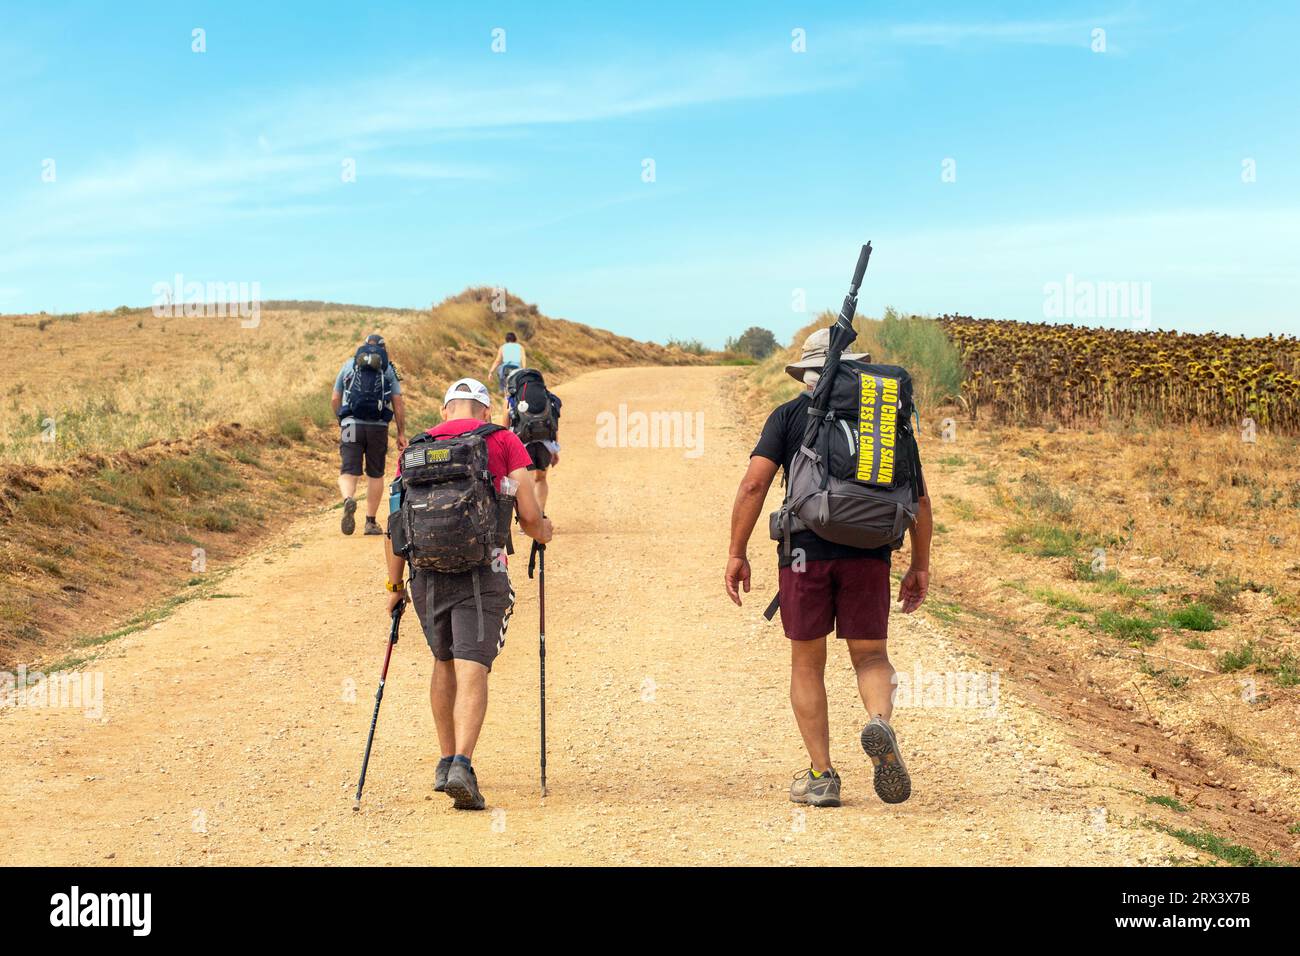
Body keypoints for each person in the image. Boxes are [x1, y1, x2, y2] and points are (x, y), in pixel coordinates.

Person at [724, 327, 933, 808]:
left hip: (805, 553)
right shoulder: (886, 420)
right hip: (869, 551)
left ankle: (822, 776)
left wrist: (737, 552)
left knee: (807, 662)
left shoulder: (792, 414)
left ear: (808, 372)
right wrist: (919, 564)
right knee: (872, 656)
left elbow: (755, 486)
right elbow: (919, 500)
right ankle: (879, 722)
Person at [385, 377, 553, 810]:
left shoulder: (416, 449)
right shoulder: (502, 440)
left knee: (442, 662)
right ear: (486, 410)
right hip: (482, 570)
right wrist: (543, 533)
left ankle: (445, 760)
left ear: (445, 411)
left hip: (425, 574)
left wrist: (393, 586)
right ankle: (463, 763)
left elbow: (396, 522)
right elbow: (530, 515)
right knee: (472, 664)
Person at [333, 334, 406, 536]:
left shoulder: (348, 365)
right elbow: (398, 403)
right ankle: (370, 522)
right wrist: (401, 433)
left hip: (350, 425)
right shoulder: (388, 369)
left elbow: (335, 398)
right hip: (378, 427)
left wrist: (342, 420)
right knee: (376, 473)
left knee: (348, 469)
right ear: (384, 349)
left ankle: (349, 498)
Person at [502, 367, 562, 512]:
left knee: (526, 482)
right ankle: (540, 514)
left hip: (522, 444)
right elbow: (554, 424)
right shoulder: (547, 397)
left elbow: (505, 426)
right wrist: (554, 449)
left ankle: (529, 517)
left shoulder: (512, 399)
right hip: (545, 443)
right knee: (541, 478)